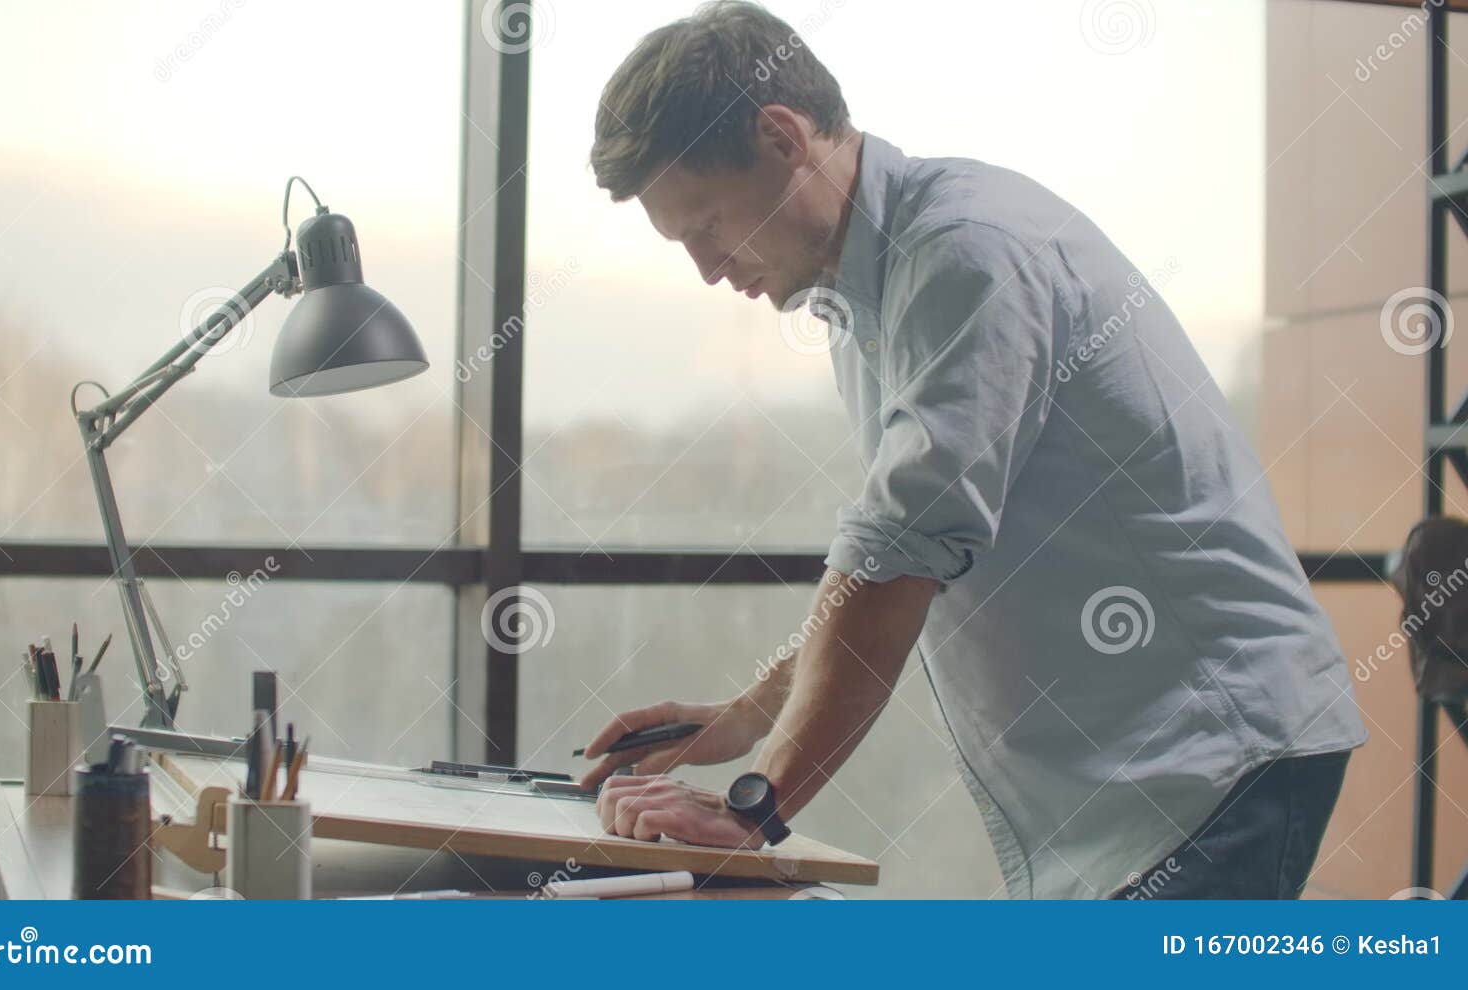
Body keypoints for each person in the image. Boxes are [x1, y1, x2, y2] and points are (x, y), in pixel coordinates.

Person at [576, 1, 1367, 898]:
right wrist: (749, 714)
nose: (710, 269)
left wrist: (752, 811)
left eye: (708, 225)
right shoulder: (865, 296)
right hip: (1133, 782)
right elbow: (891, 561)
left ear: (782, 136)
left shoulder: (964, 254)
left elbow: (895, 562)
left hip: (1207, 758)